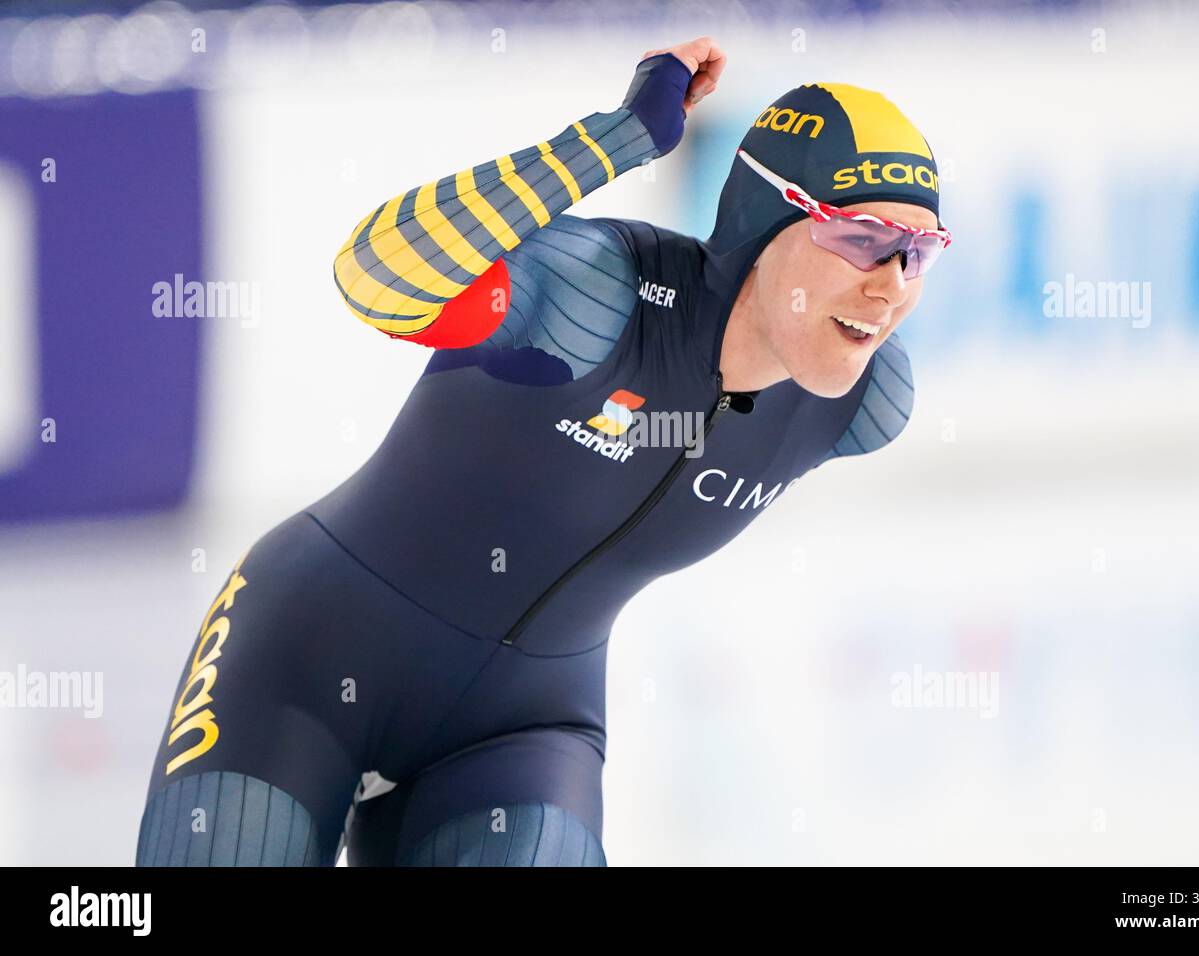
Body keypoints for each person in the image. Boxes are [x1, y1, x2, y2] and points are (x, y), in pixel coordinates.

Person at [135, 36, 949, 867]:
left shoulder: (863, 403)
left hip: (520, 733)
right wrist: (618, 136)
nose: (889, 286)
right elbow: (371, 273)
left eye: (917, 254)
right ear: (763, 218)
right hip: (304, 663)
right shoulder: (600, 296)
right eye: (861, 237)